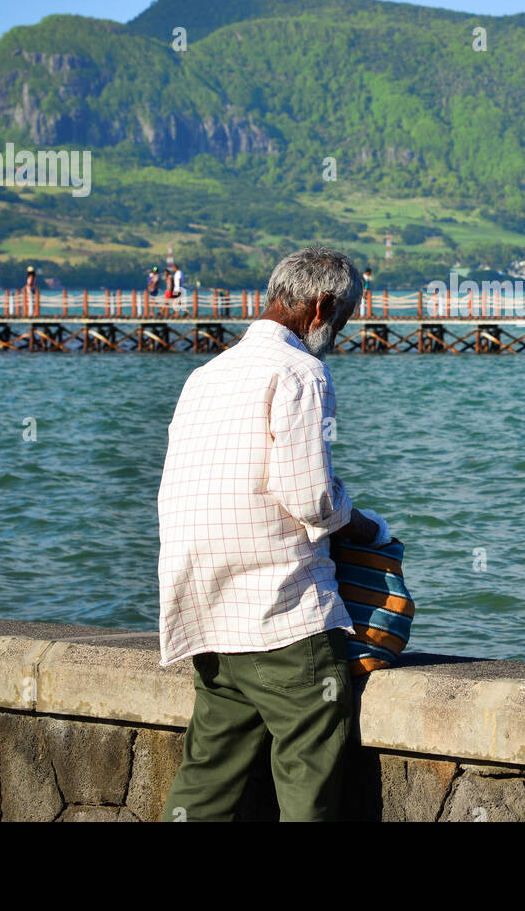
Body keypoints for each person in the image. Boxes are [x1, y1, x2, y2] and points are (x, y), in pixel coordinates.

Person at [159, 246, 379, 823]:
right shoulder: (300, 371)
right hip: (283, 621)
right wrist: (361, 522)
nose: (342, 331)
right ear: (323, 306)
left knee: (208, 784)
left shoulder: (204, 376)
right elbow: (310, 497)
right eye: (345, 318)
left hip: (205, 620)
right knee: (311, 786)